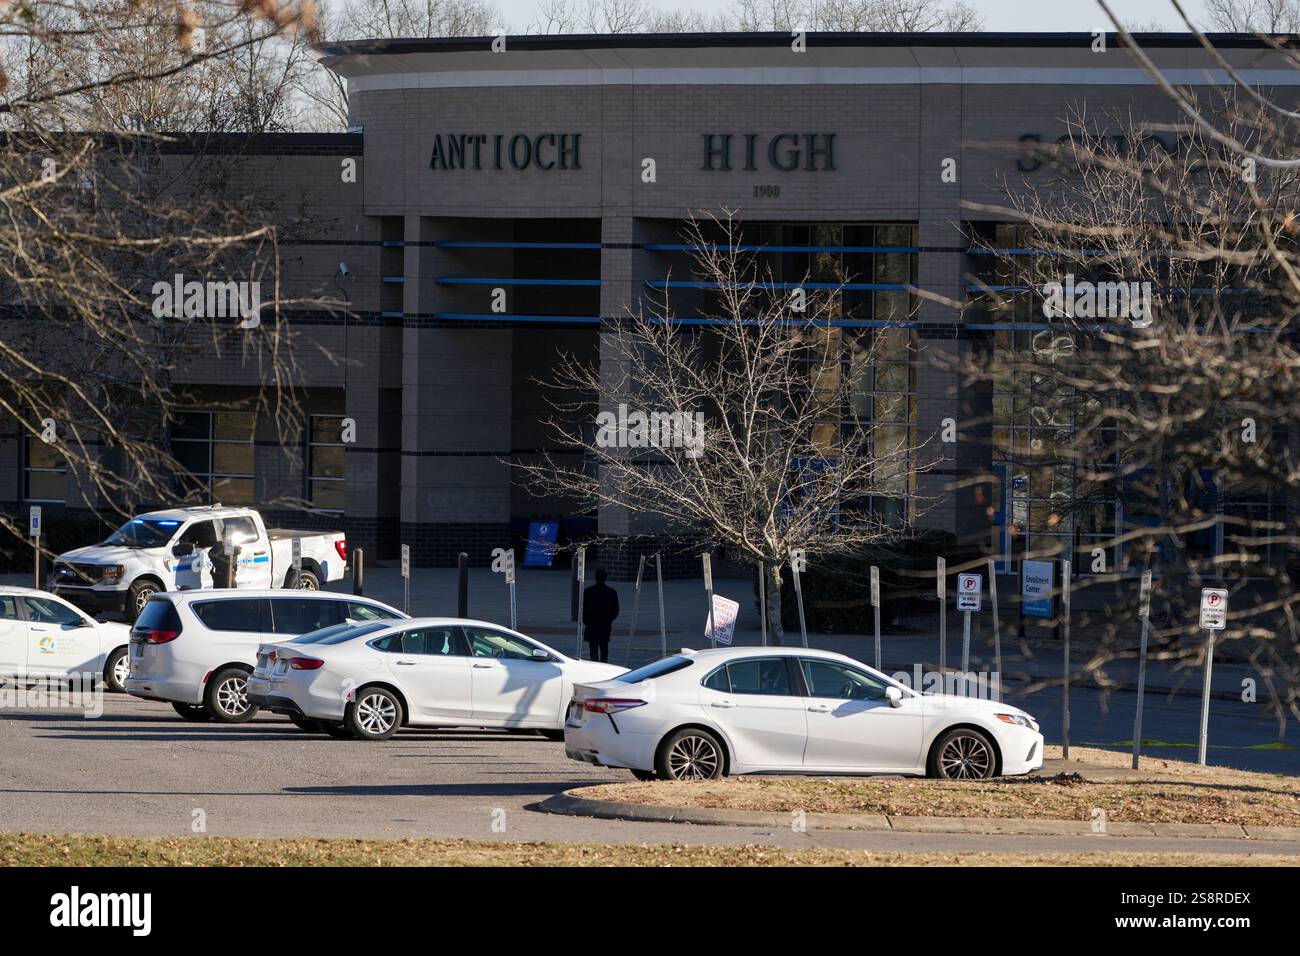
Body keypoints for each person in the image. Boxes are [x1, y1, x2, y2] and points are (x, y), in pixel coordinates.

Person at [582, 568, 620, 663]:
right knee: (604, 647)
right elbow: (616, 610)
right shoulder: (611, 592)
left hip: (592, 623)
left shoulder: (588, 592)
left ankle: (594, 664)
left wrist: (586, 621)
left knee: (593, 647)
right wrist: (609, 619)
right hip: (605, 624)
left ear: (595, 578)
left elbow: (583, 608)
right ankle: (604, 664)